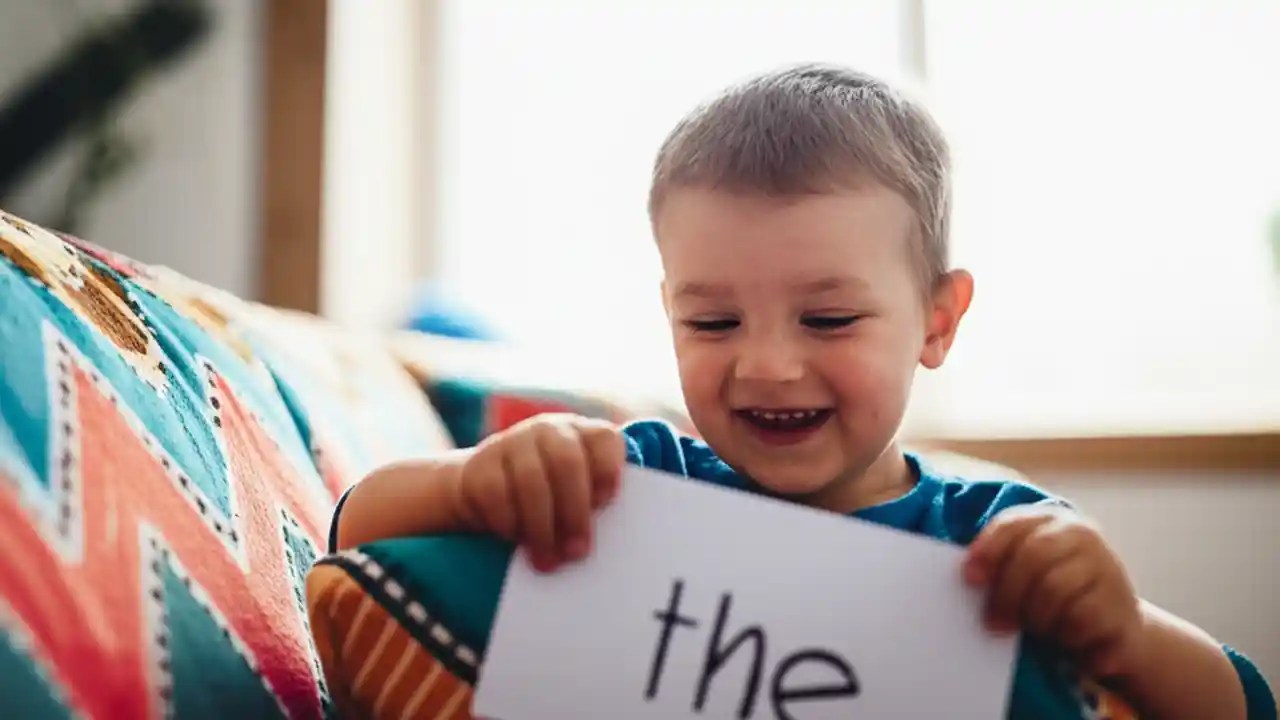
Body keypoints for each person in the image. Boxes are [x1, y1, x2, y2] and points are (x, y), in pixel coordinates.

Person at [330, 64, 1275, 719]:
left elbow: (1240, 704)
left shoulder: (997, 538)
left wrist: (1125, 632)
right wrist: (475, 484)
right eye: (712, 324)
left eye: (827, 322)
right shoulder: (633, 481)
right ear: (668, 313)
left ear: (937, 324)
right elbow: (354, 535)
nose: (768, 367)